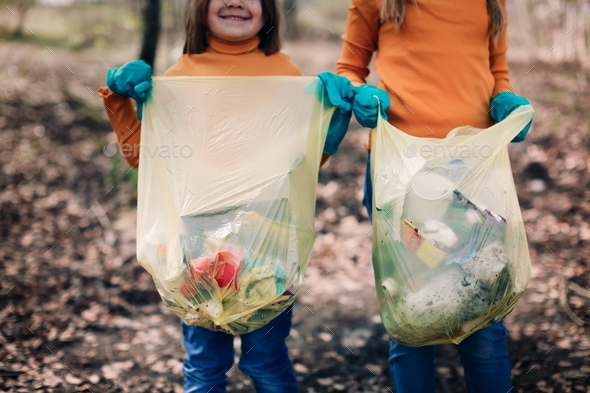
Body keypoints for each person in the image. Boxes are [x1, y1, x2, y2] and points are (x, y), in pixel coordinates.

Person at [96, 0, 353, 391]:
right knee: (205, 363)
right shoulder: (180, 76)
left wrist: (336, 118)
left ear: (267, 9)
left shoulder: (286, 75)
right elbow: (143, 157)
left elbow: (306, 161)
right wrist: (119, 100)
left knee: (266, 361)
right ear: (200, 7)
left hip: (268, 240)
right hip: (196, 240)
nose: (235, 1)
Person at [330, 0, 533, 392]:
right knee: (410, 313)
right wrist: (362, 97)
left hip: (473, 171)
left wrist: (504, 100)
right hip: (402, 171)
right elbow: (349, 70)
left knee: (483, 317)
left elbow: (497, 73)